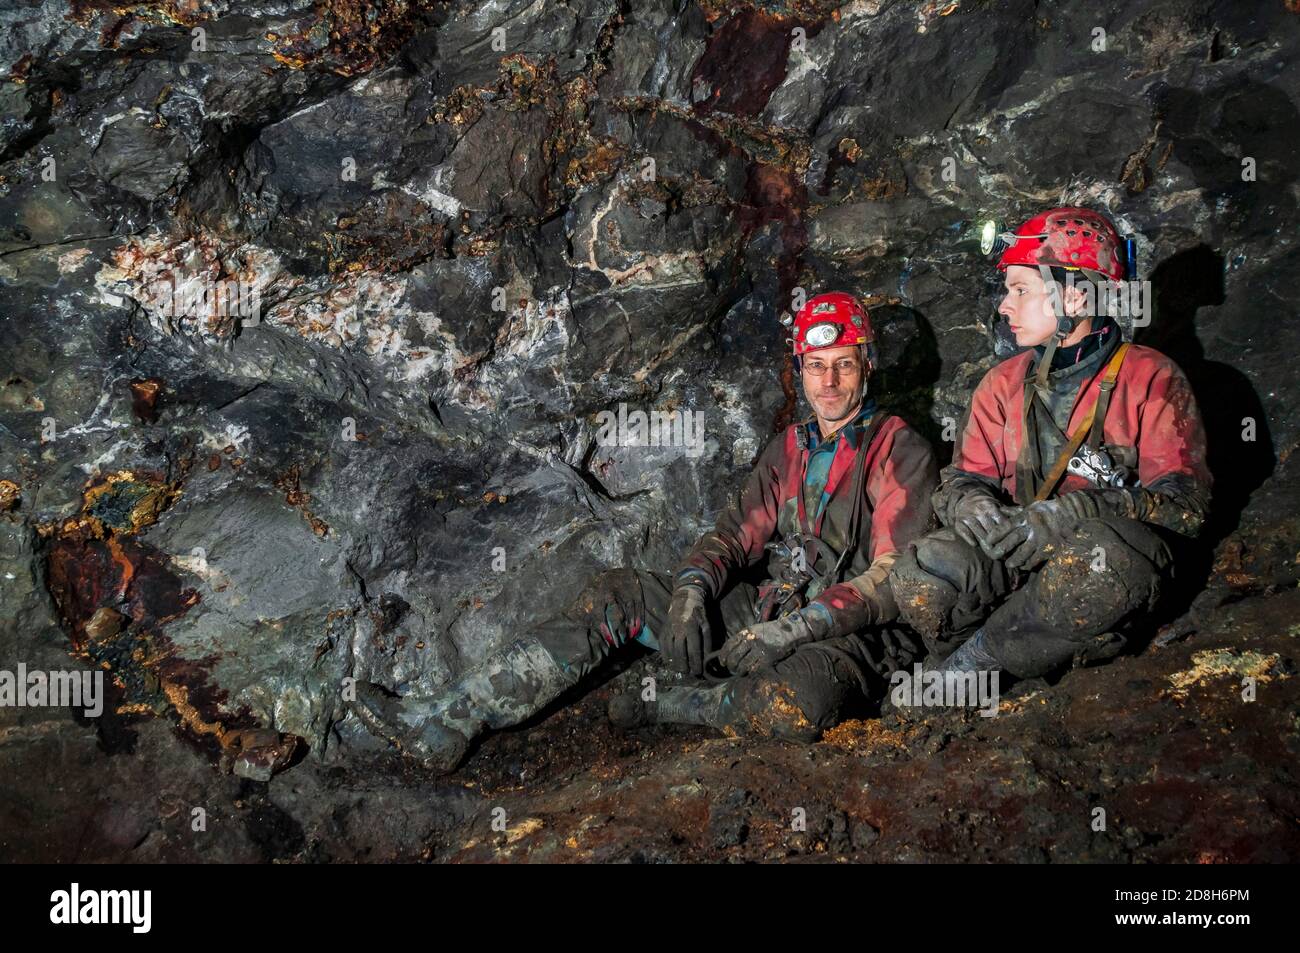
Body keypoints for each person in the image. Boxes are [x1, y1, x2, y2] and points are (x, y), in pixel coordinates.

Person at [351, 291, 939, 772]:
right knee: (621, 593)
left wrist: (795, 630)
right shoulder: (788, 448)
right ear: (800, 371)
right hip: (767, 615)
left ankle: (685, 704)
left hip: (849, 636)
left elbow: (889, 582)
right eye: (816, 366)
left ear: (867, 365)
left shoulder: (899, 449)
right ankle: (451, 718)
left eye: (843, 364)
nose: (829, 382)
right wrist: (689, 591)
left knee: (799, 703)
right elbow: (735, 535)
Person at [891, 207, 1211, 683]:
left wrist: (1073, 515)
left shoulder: (1151, 377)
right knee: (924, 567)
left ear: (1077, 296)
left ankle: (979, 665)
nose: (1004, 305)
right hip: (1016, 553)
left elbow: (1185, 507)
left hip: (1089, 562)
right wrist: (975, 507)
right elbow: (963, 478)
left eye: (1020, 290)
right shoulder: (1002, 383)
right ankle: (989, 653)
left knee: (1104, 563)